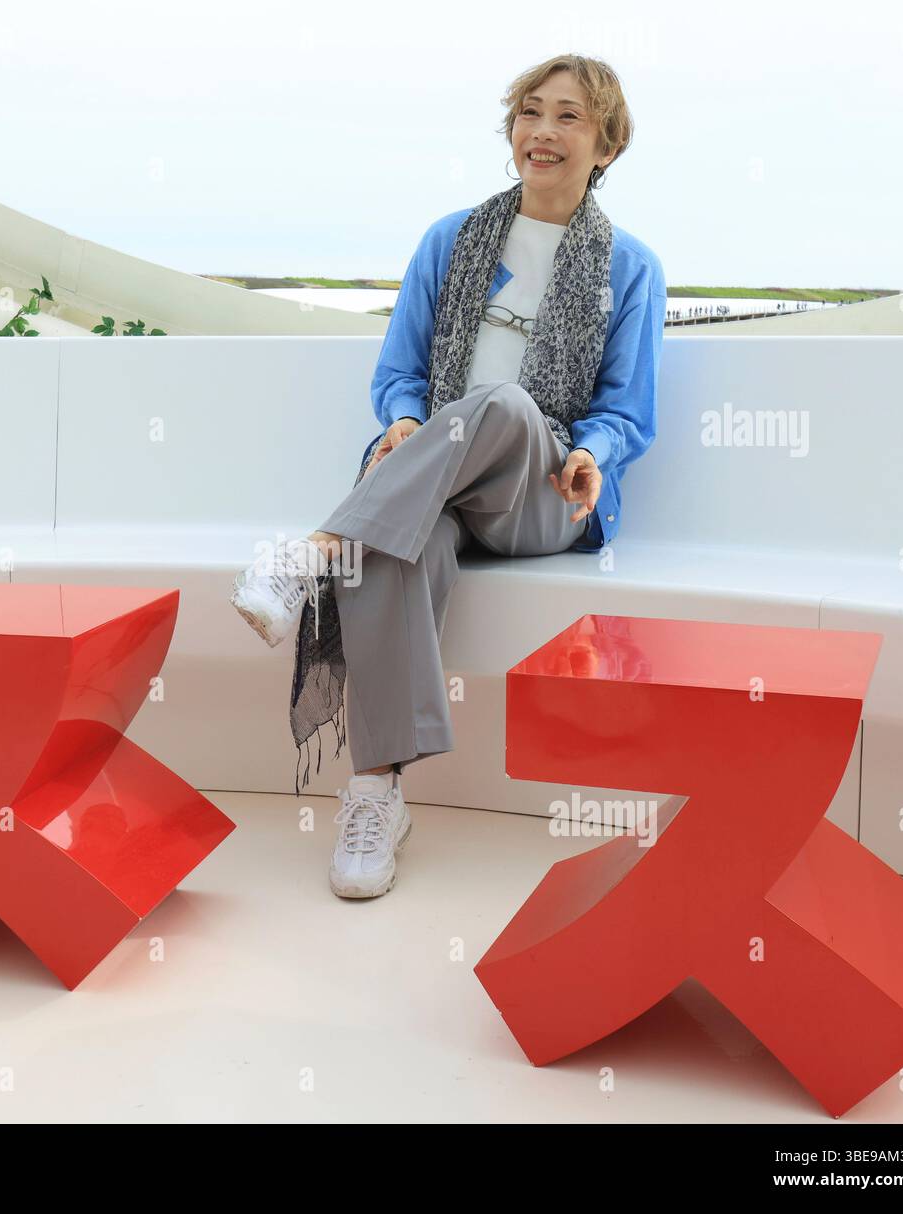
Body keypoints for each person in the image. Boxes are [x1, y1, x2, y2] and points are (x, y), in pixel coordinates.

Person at [231, 54, 667, 899]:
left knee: (501, 405)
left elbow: (628, 412)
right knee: (401, 548)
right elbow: (398, 375)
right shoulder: (450, 240)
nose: (542, 132)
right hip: (439, 484)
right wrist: (401, 424)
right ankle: (375, 795)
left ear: (606, 144)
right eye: (530, 112)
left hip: (544, 493)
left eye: (569, 117)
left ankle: (316, 548)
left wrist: (593, 457)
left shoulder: (631, 267)